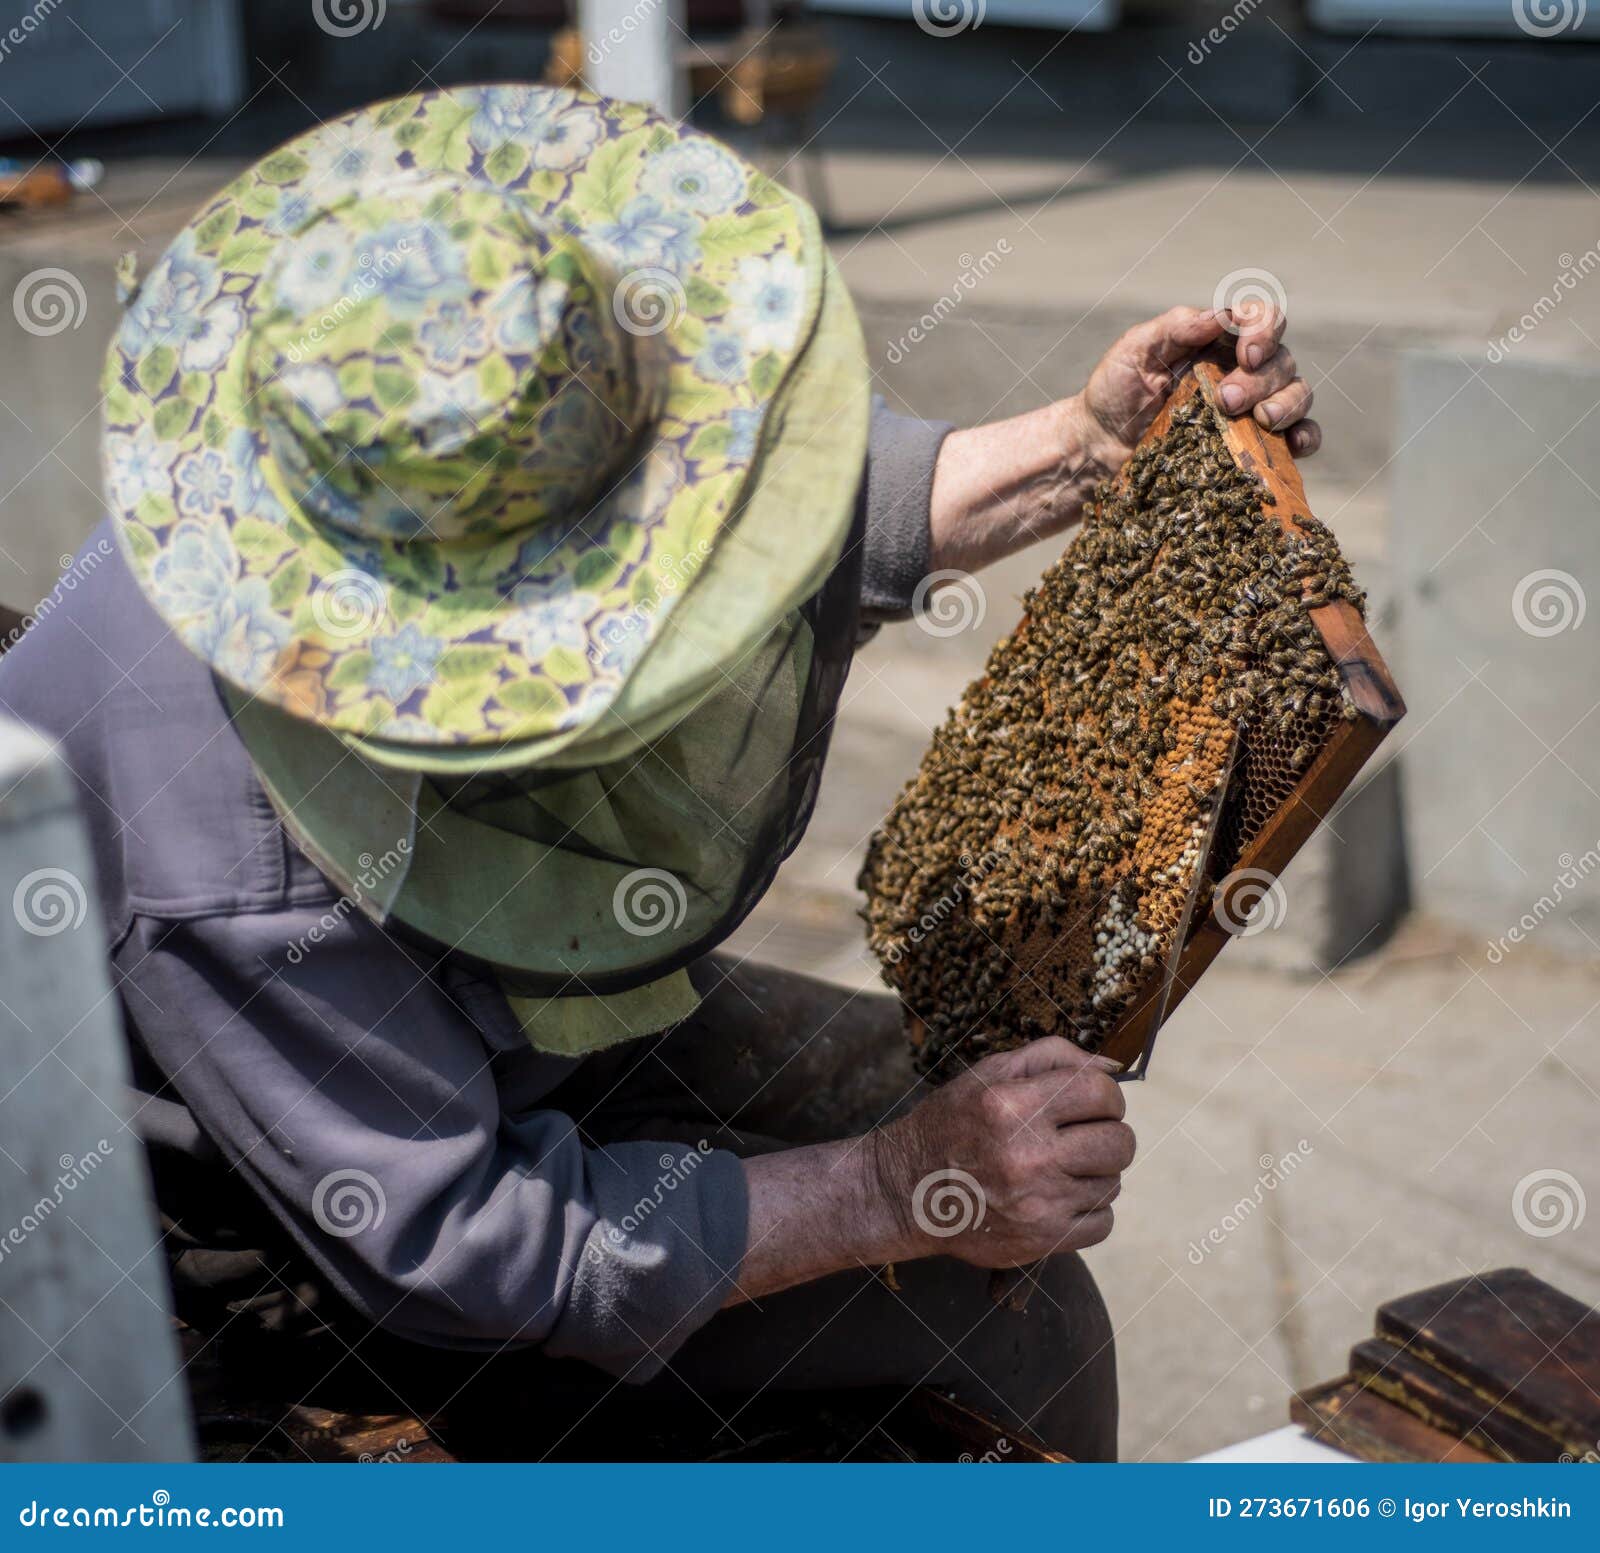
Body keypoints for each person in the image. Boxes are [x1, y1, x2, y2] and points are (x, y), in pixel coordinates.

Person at [0, 84, 1318, 1461]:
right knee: (1006, 1321)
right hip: (270, 1219)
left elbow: (770, 509)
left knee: (955, 1075)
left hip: (474, 1010)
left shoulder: (394, 449)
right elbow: (471, 1240)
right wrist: (893, 1184)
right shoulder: (231, 863)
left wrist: (1085, 452)